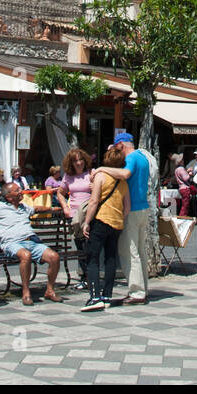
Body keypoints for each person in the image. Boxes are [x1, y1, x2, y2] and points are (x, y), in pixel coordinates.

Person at [0, 182, 66, 305]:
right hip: (12, 243)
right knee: (26, 255)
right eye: (17, 190)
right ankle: (26, 292)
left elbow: (36, 209)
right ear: (9, 196)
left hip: (31, 241)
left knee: (54, 257)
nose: (21, 191)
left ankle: (50, 290)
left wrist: (51, 208)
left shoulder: (23, 207)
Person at [81, 146, 130, 311]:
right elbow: (127, 207)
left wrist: (87, 221)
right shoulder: (123, 182)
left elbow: (94, 201)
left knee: (93, 258)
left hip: (101, 220)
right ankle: (107, 295)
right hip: (116, 223)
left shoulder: (100, 176)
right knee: (110, 259)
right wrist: (119, 218)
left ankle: (95, 297)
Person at [108, 131, 153, 305]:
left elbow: (125, 174)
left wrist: (103, 169)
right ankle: (143, 288)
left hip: (131, 209)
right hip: (143, 207)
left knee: (129, 250)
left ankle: (136, 292)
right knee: (140, 251)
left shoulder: (132, 158)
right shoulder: (143, 157)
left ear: (121, 145)